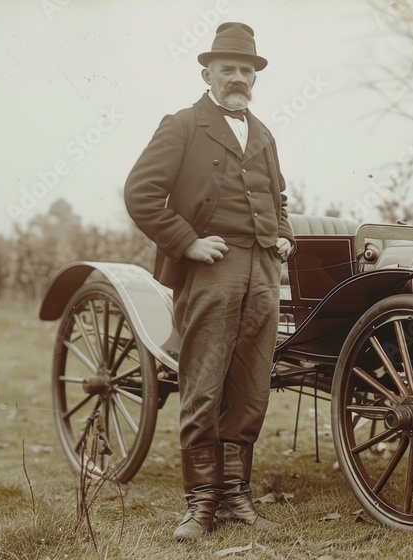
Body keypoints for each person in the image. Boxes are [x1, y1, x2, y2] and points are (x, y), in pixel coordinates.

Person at [124, 22, 295, 540]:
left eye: (247, 70)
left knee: (250, 387)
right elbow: (141, 193)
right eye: (229, 70)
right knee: (203, 383)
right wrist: (188, 241)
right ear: (208, 73)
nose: (239, 78)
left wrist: (283, 235)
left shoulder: (263, 133)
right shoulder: (181, 125)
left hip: (263, 271)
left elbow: (279, 198)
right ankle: (200, 503)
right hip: (210, 268)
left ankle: (236, 496)